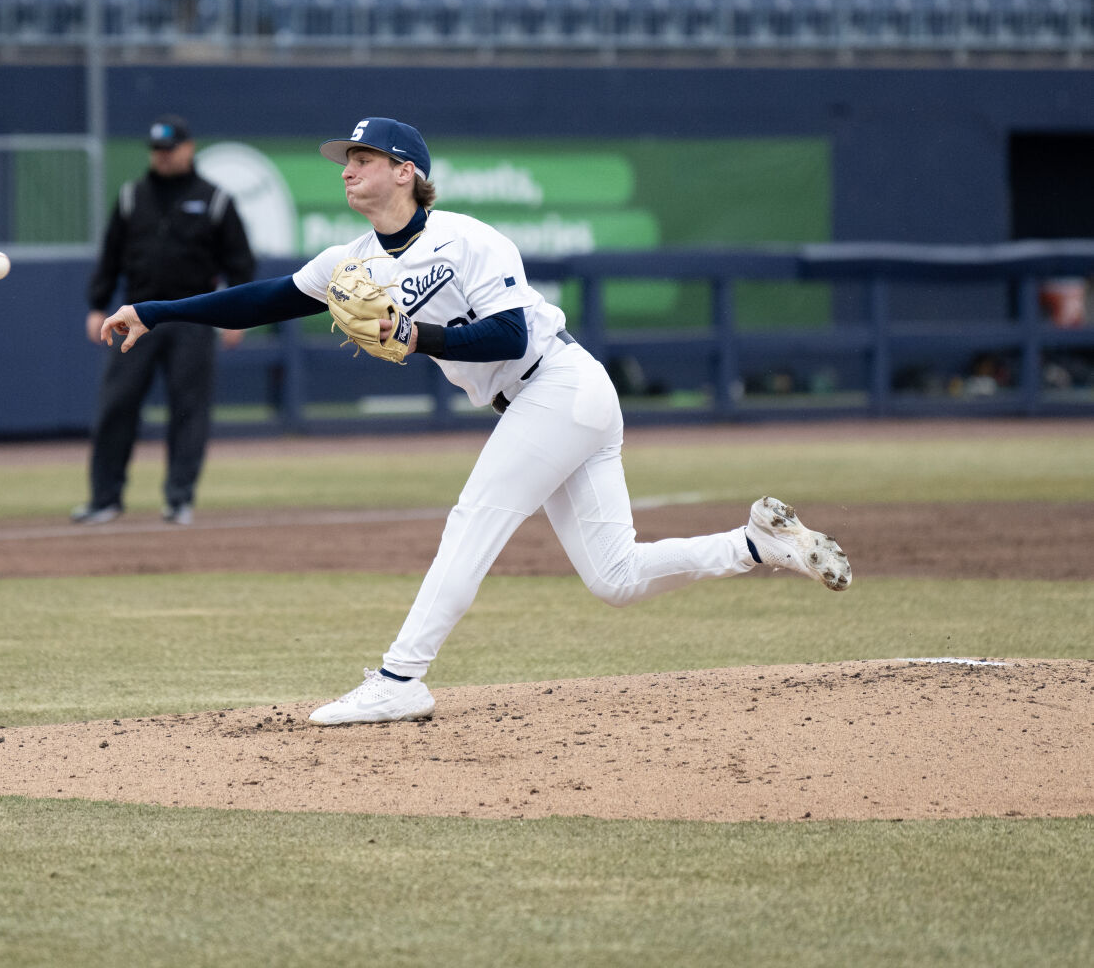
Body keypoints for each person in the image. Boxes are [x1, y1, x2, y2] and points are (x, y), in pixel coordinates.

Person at [97, 117, 851, 725]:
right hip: (547, 400)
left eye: (362, 158)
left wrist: (414, 334)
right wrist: (155, 312)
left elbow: (511, 335)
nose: (346, 169)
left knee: (472, 520)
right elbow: (261, 299)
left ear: (405, 172)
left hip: (556, 383)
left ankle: (399, 678)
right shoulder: (350, 263)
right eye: (344, 160)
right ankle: (756, 543)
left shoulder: (466, 238)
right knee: (615, 577)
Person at [76, 115, 256, 527]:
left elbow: (240, 264)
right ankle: (104, 498)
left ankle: (179, 499)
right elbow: (110, 256)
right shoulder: (131, 197)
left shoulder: (214, 199)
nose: (162, 156)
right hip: (135, 315)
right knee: (116, 405)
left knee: (188, 410)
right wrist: (97, 305)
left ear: (189, 148)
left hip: (193, 315)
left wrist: (238, 316)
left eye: (170, 149)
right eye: (157, 150)